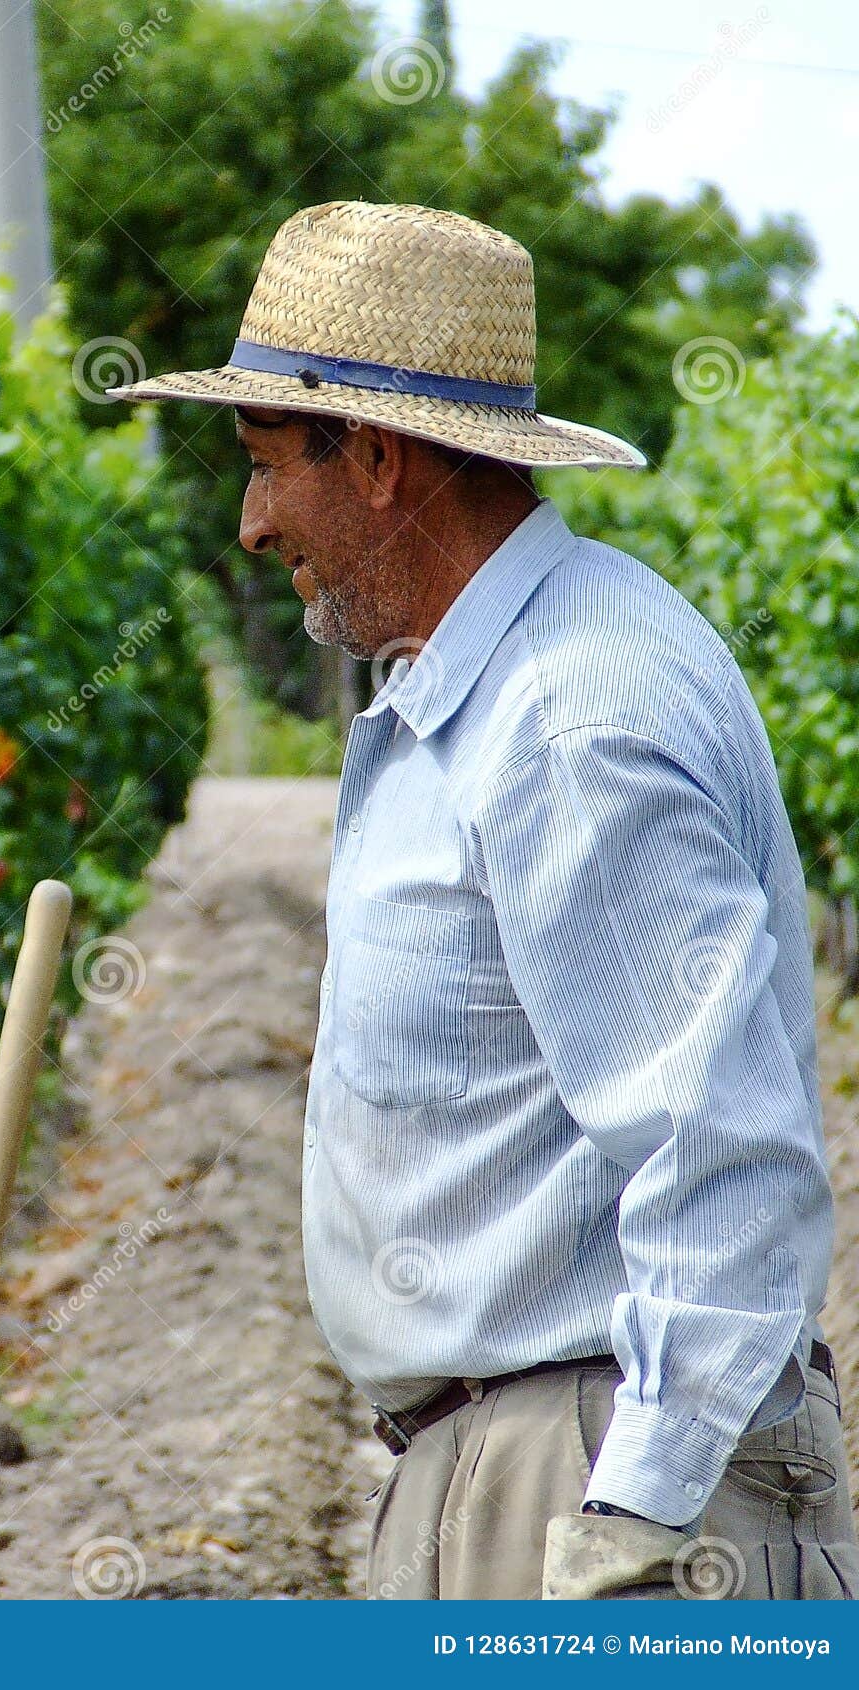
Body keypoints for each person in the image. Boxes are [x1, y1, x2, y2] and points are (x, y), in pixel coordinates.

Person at [108, 199, 859, 1600]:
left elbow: (723, 1152)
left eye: (265, 464)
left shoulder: (568, 720)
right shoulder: (471, 686)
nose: (252, 523)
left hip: (593, 1469)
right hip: (510, 1460)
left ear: (377, 458)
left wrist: (638, 1515)